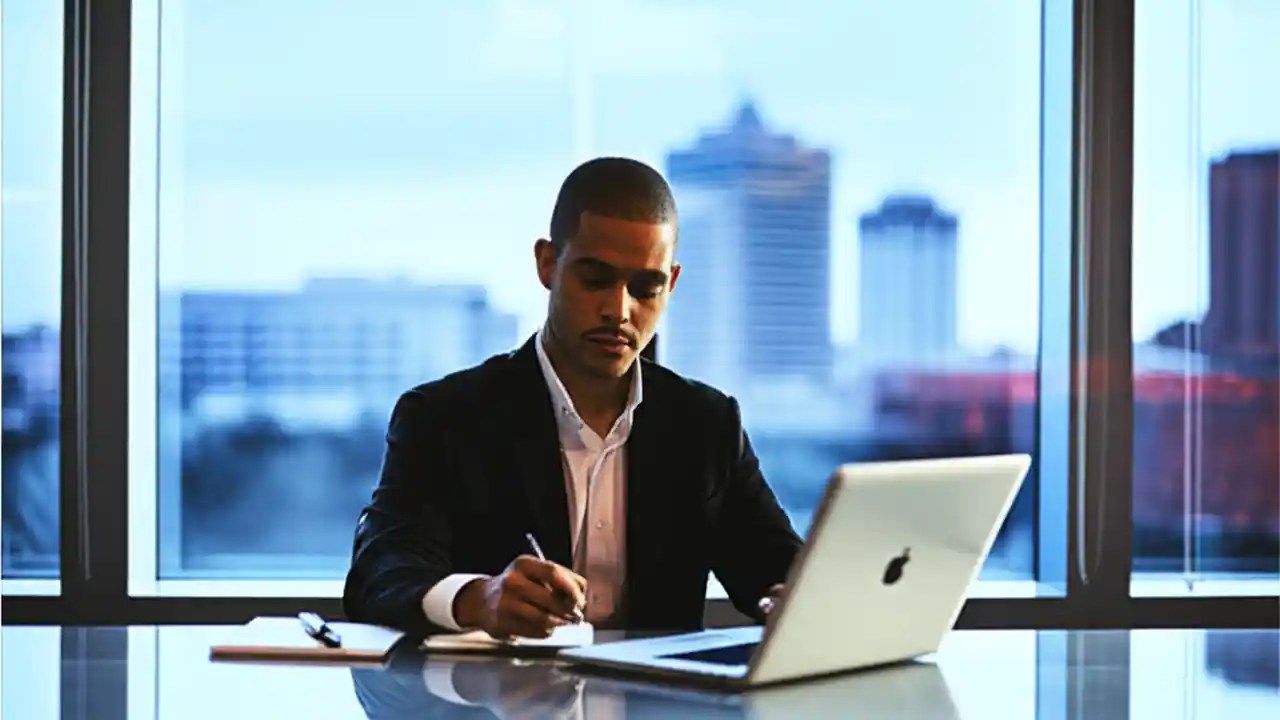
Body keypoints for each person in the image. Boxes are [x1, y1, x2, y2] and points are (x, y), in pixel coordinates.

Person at [343, 156, 802, 639]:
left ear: (673, 284)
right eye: (596, 278)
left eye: (647, 287)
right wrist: (480, 599)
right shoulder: (445, 418)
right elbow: (381, 571)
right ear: (547, 264)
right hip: (493, 705)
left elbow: (780, 569)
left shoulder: (706, 425)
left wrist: (799, 600)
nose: (619, 310)